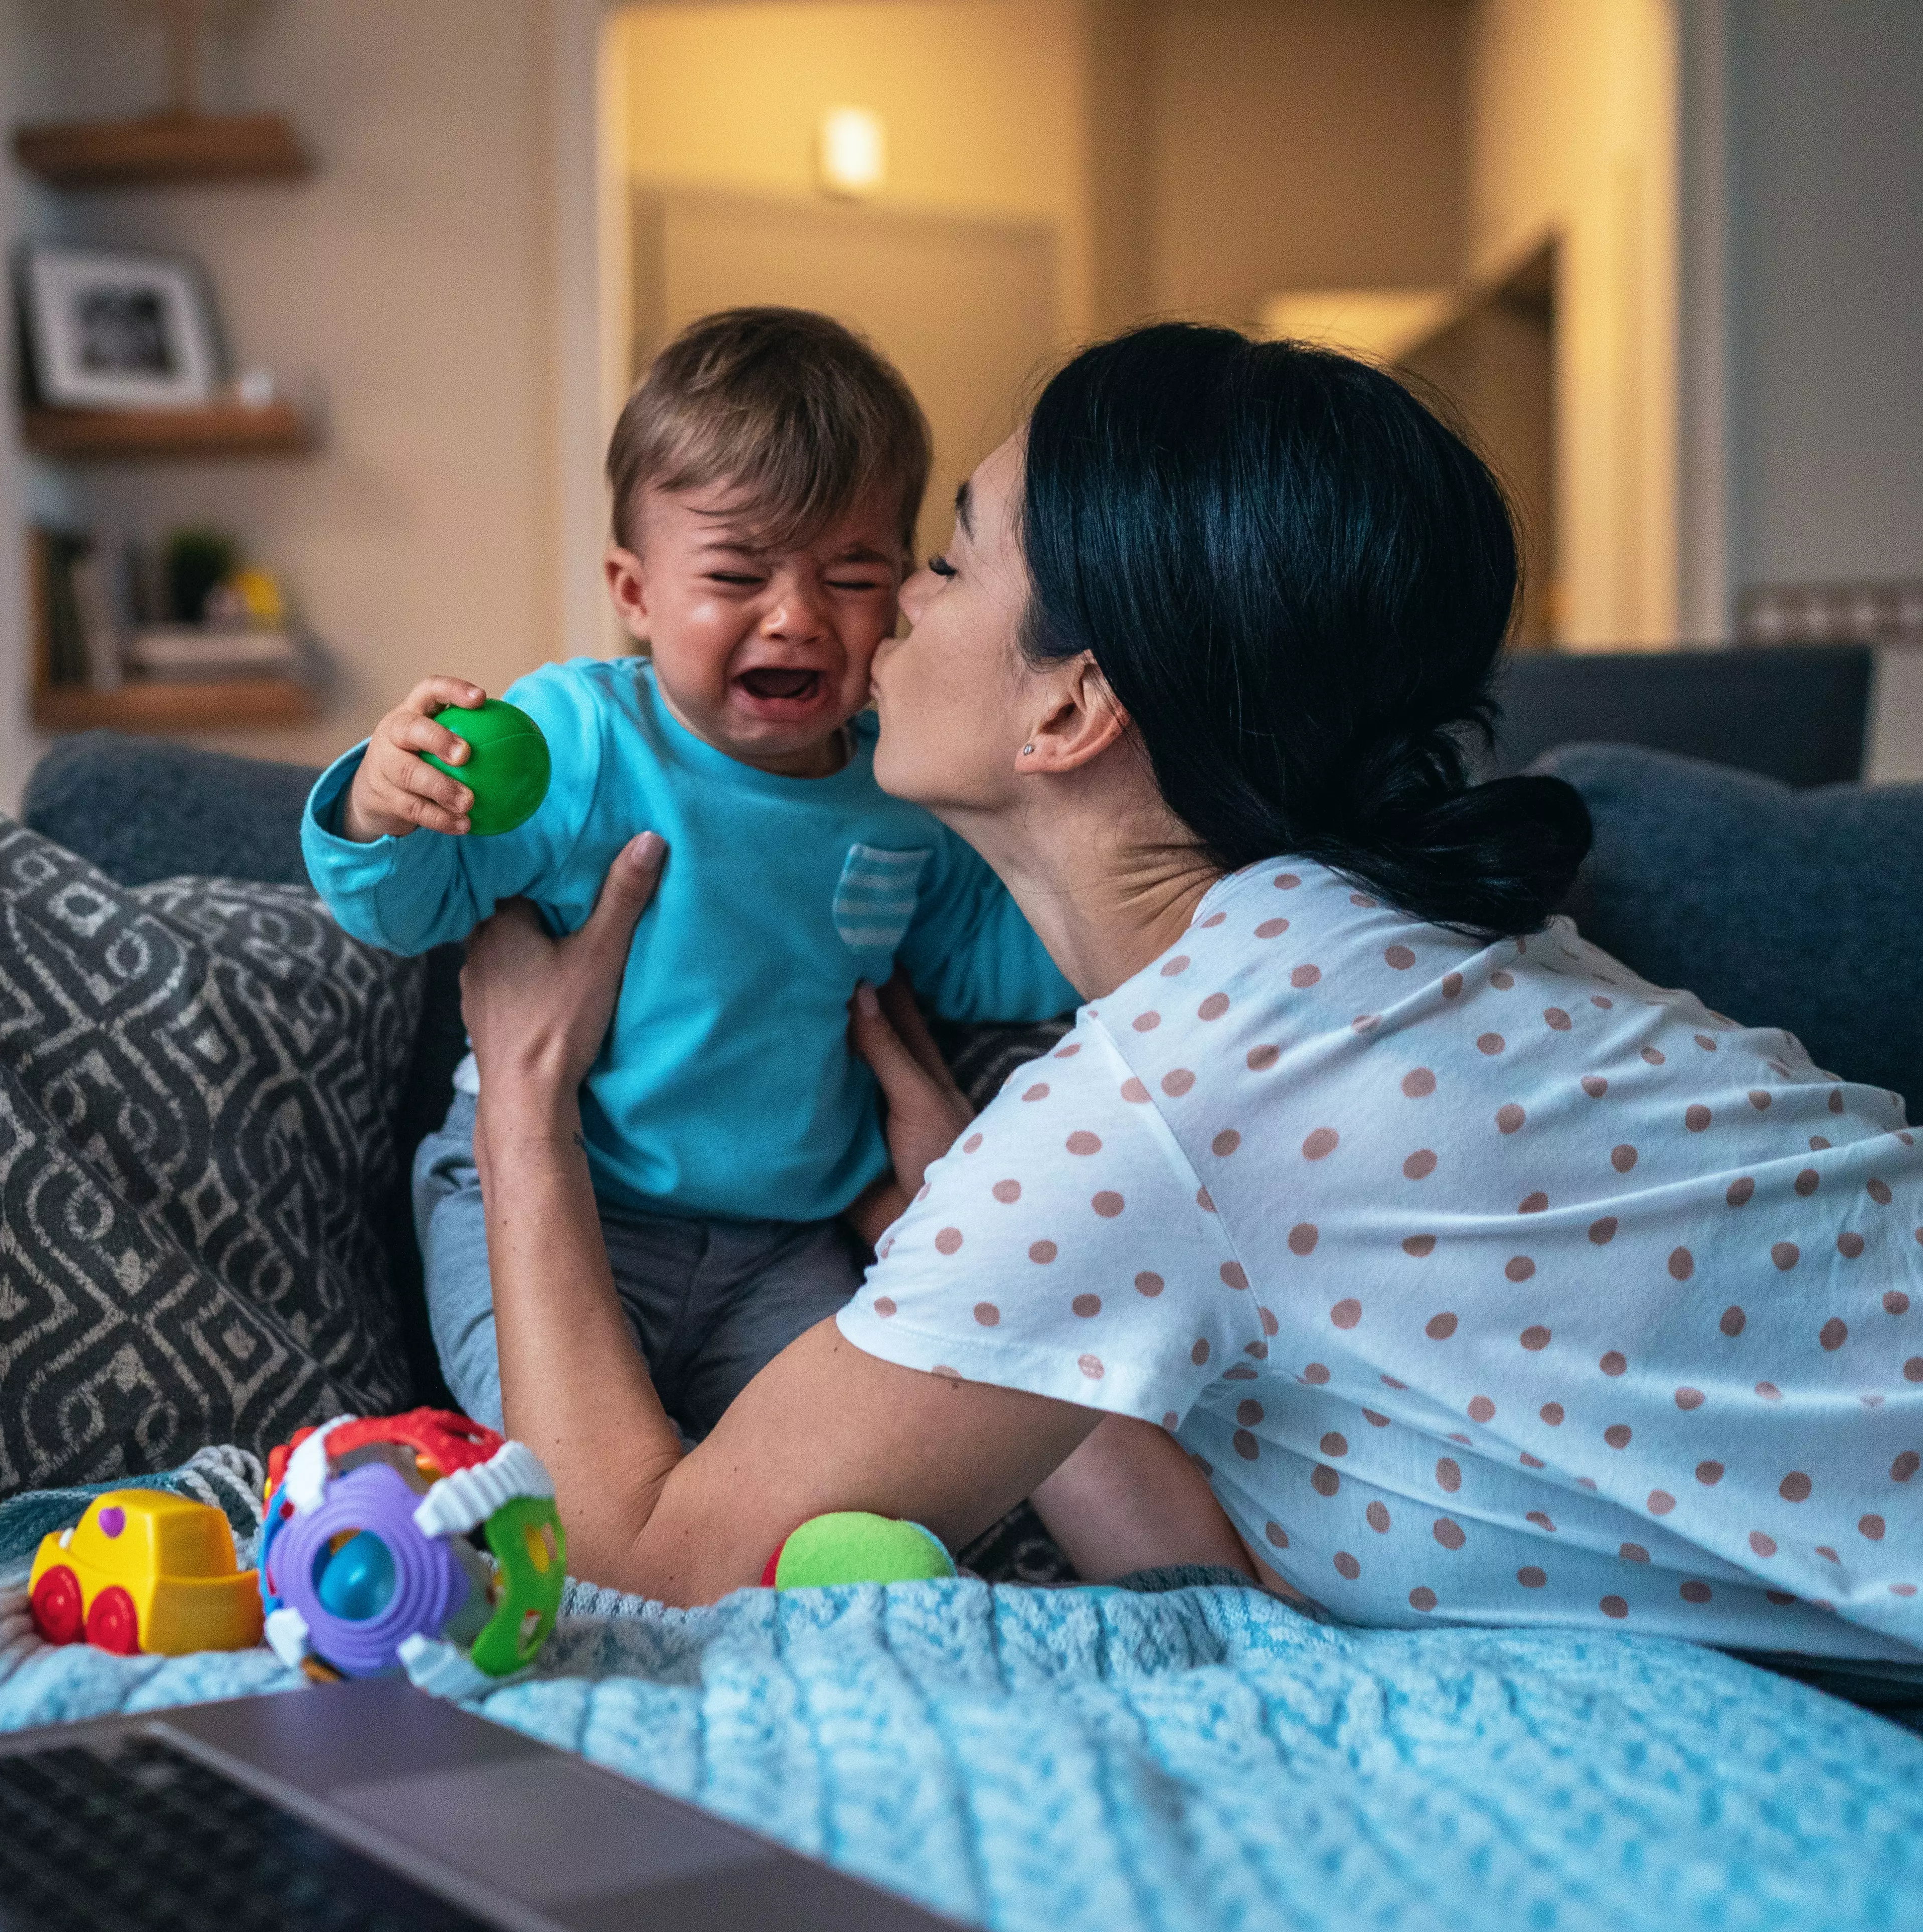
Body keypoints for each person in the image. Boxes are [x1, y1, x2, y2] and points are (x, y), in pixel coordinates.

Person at [462, 321, 1923, 1681]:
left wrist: (525, 1104)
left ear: (1069, 709)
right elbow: (1225, 1594)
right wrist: (966, 1255)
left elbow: (636, 1569)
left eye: (952, 565)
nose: (890, 598)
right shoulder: (1363, 958)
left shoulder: (1167, 1104)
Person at [301, 308, 1074, 1438]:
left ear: (904, 589)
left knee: (834, 1466)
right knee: (544, 1465)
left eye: (852, 575)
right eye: (736, 572)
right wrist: (381, 808)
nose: (797, 616)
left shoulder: (901, 785)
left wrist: (1142, 928)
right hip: (563, 1209)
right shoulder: (577, 739)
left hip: (785, 1248)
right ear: (634, 592)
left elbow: (981, 959)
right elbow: (410, 912)